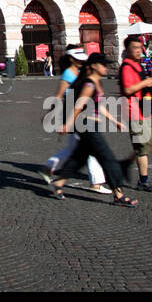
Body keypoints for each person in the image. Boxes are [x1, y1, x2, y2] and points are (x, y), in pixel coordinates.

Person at [46, 53, 138, 207]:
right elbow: (79, 106)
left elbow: (99, 106)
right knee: (107, 158)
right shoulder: (89, 84)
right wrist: (68, 124)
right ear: (94, 66)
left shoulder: (95, 83)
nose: (105, 67)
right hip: (86, 125)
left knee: (80, 157)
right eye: (103, 64)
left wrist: (114, 121)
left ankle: (58, 183)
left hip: (91, 124)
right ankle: (118, 194)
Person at [41, 47, 110, 194]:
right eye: (78, 59)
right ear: (71, 59)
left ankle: (49, 167)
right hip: (75, 113)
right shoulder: (68, 73)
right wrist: (51, 113)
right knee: (90, 149)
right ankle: (96, 183)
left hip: (83, 114)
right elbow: (59, 96)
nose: (81, 61)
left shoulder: (81, 72)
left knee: (74, 148)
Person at [118, 35, 152, 193]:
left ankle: (125, 164)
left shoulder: (137, 65)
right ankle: (144, 181)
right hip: (133, 111)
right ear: (127, 50)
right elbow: (128, 89)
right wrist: (145, 83)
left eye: (139, 47)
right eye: (134, 48)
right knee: (142, 148)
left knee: (146, 146)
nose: (138, 50)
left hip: (143, 110)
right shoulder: (127, 67)